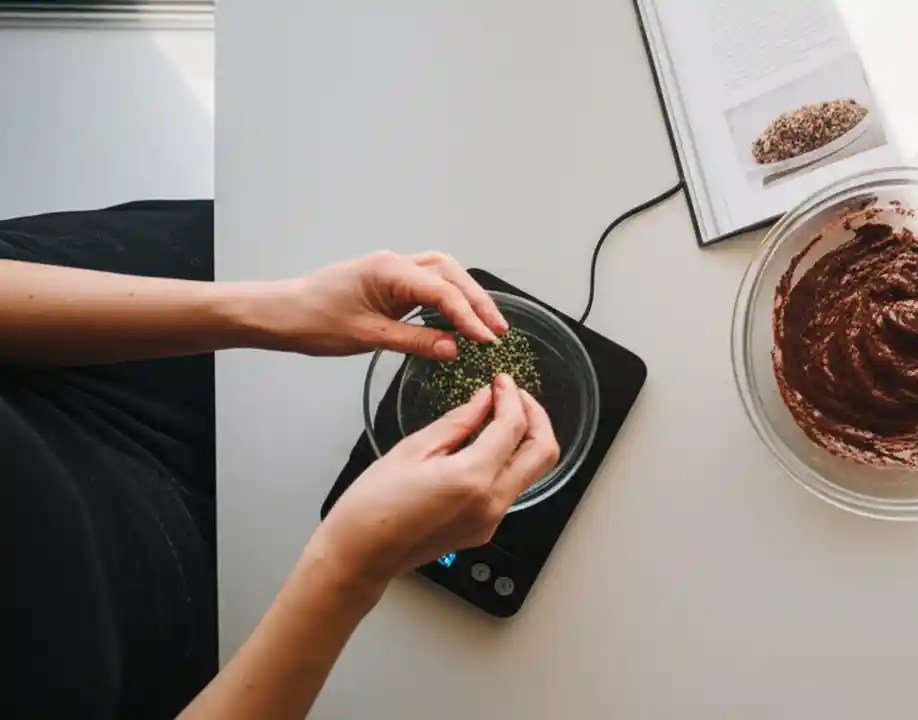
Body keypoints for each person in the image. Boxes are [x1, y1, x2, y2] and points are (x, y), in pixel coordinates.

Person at [3, 201, 559, 719]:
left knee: (254, 228)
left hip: (53, 343)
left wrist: (271, 308)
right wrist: (350, 570)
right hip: (140, 617)